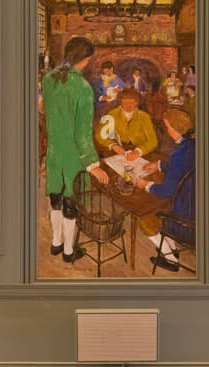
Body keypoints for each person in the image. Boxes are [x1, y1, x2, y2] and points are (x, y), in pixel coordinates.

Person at [41, 36, 110, 266]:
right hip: (73, 157)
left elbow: (43, 107)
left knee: (56, 201)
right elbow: (83, 136)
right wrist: (94, 165)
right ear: (87, 59)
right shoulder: (83, 89)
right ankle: (69, 251)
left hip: (53, 152)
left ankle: (56, 243)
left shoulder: (48, 78)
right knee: (71, 204)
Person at [136, 109, 195, 272]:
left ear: (174, 130)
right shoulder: (193, 145)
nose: (167, 130)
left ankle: (170, 259)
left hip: (186, 221)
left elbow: (167, 190)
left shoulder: (178, 154)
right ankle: (172, 247)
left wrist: (145, 185)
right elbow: (182, 167)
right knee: (162, 207)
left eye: (168, 127)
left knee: (146, 220)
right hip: (195, 206)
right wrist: (159, 165)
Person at [95, 85, 158, 161]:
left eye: (132, 103)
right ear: (120, 103)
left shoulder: (144, 116)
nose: (129, 106)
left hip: (141, 153)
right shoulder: (112, 114)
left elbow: (153, 141)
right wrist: (114, 146)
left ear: (136, 103)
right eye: (125, 104)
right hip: (120, 152)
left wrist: (139, 151)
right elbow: (100, 135)